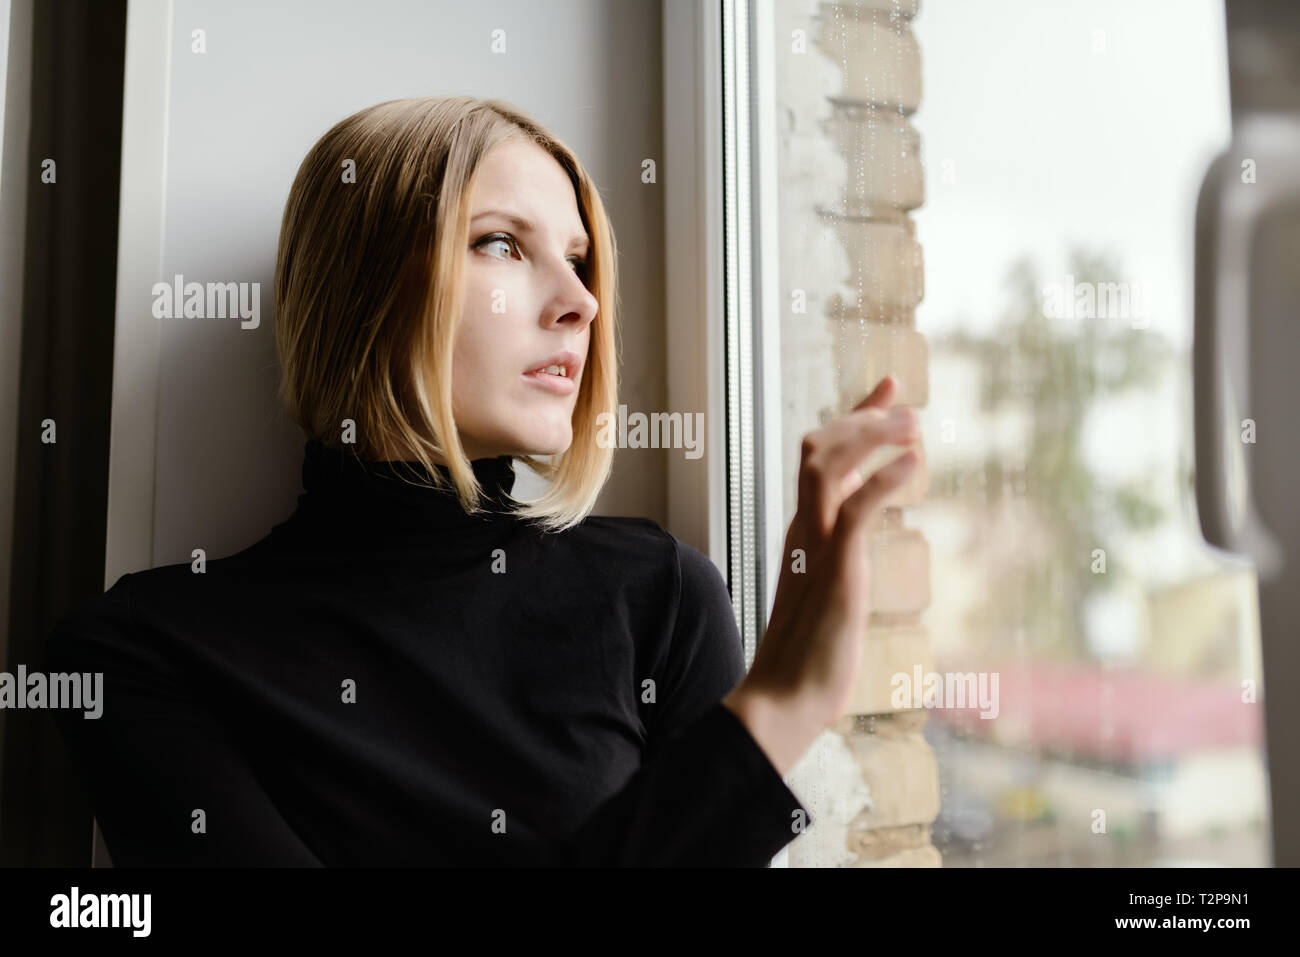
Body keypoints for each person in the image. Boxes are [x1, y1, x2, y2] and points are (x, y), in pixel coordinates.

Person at [43, 96, 921, 866]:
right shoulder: (141, 654)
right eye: (502, 243)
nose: (581, 300)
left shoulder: (657, 596)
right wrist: (778, 710)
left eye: (579, 259)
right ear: (365, 288)